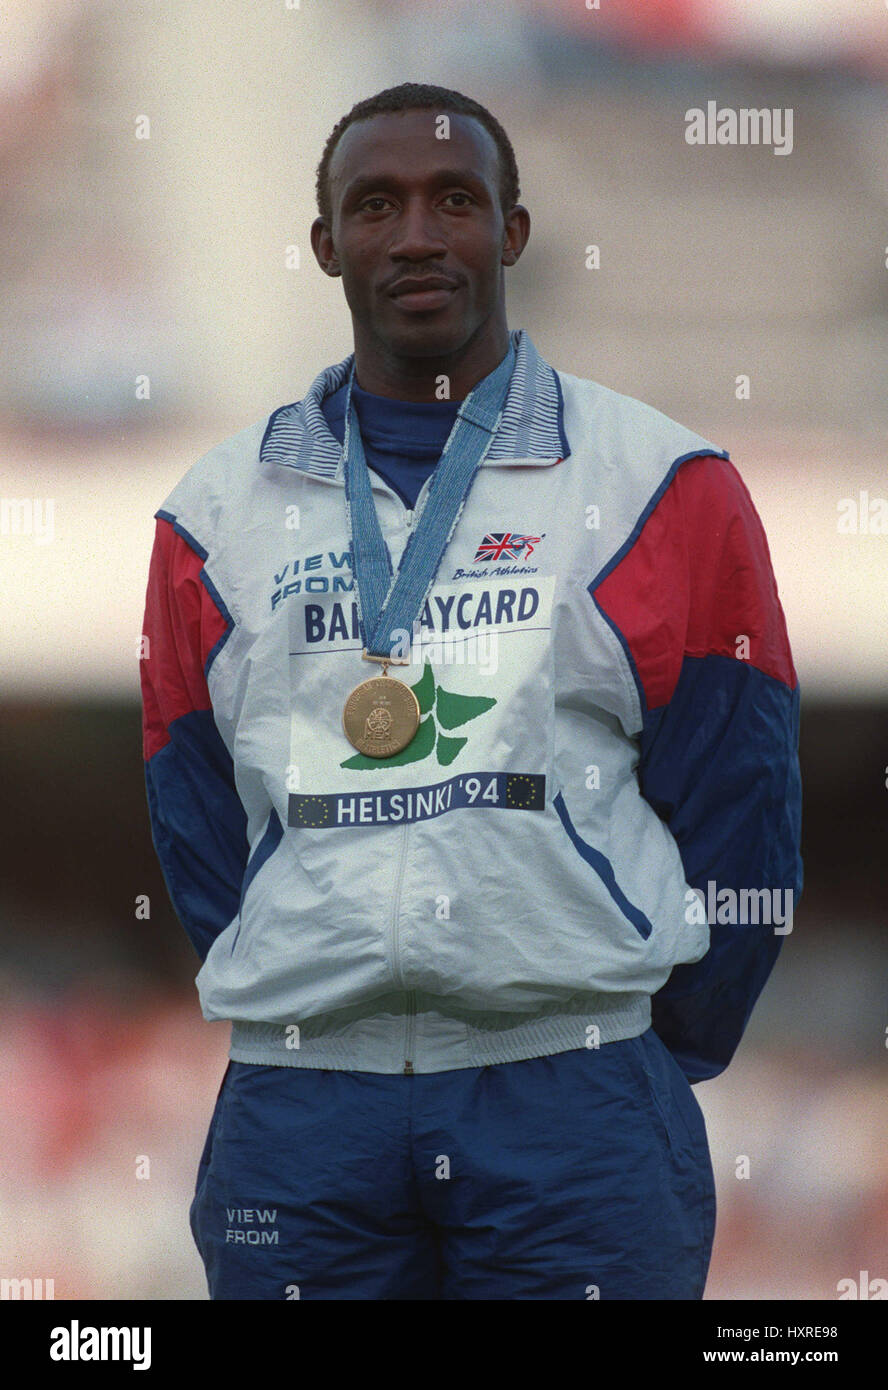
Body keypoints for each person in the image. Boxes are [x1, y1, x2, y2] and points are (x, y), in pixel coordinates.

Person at [139, 82, 802, 1301]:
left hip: (576, 1096)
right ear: (327, 243)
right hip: (303, 1107)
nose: (416, 235)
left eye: (456, 199)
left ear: (513, 231)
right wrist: (316, 973)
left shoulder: (661, 482)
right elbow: (195, 829)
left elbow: (744, 801)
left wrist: (649, 1036)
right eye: (375, 203)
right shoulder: (211, 516)